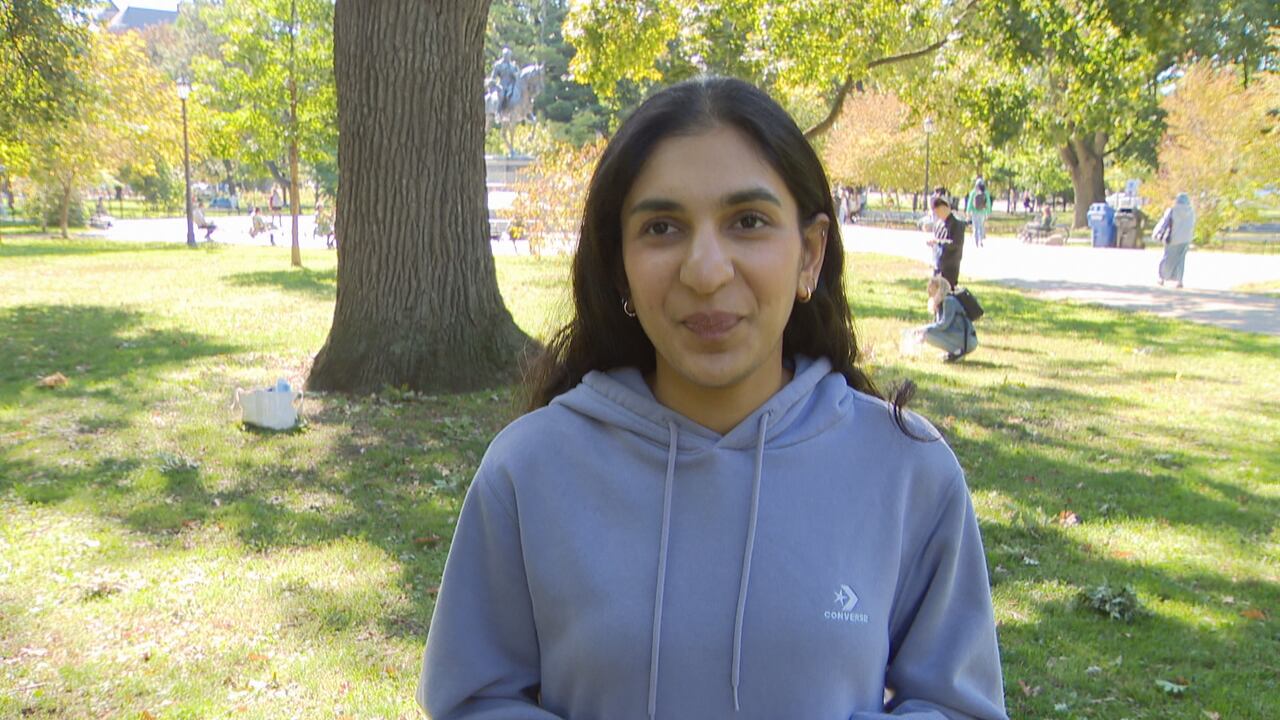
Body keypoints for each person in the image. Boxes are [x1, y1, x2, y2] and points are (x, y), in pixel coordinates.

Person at [417, 77, 1007, 720]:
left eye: (748, 222)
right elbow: (472, 700)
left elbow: (957, 705)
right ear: (619, 266)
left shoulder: (906, 471)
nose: (705, 270)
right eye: (662, 227)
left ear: (809, 254)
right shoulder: (528, 470)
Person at [909, 276, 978, 362]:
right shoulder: (941, 303)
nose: (928, 291)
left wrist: (923, 328)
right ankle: (955, 352)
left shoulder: (949, 301)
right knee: (926, 332)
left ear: (939, 288)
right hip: (963, 338)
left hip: (967, 340)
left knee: (926, 334)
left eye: (931, 288)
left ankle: (958, 352)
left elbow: (943, 325)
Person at [1155, 192, 1195, 288]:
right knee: (1181, 260)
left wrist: (1157, 233)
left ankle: (1162, 278)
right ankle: (1179, 280)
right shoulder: (1191, 212)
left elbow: (1164, 222)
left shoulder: (1172, 210)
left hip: (1173, 238)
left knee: (1167, 258)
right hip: (1186, 239)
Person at [927, 195, 965, 289]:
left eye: (939, 211)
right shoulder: (938, 224)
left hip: (950, 266)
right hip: (938, 264)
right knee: (935, 291)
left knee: (946, 292)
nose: (938, 215)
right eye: (936, 212)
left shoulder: (957, 224)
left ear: (946, 208)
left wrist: (938, 241)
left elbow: (955, 244)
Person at [489, 46, 520, 112]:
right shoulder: (498, 65)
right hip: (502, 85)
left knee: (520, 94)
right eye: (506, 55)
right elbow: (493, 77)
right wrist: (494, 84)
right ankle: (498, 111)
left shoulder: (513, 66)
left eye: (508, 56)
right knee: (501, 95)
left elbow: (518, 77)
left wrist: (515, 75)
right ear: (503, 55)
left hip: (512, 86)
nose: (507, 57)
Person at [966, 178, 992, 247]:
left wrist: (968, 212)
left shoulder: (973, 192)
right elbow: (988, 203)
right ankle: (980, 240)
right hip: (983, 212)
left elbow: (970, 202)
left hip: (974, 212)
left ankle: (976, 241)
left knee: (975, 226)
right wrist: (988, 212)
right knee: (981, 226)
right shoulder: (986, 192)